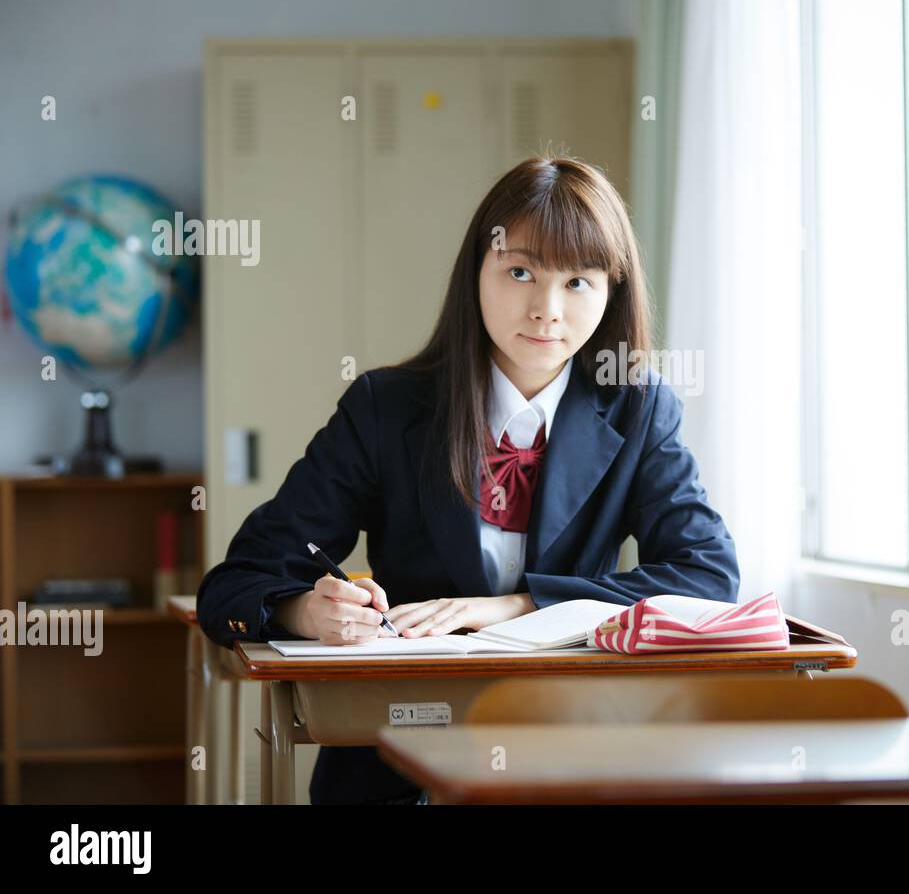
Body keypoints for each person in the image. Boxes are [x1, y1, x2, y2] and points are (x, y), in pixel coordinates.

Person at [196, 155, 740, 804]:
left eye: (578, 283)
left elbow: (708, 575)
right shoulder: (385, 407)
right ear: (475, 274)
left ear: (611, 292)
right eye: (520, 272)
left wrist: (522, 605)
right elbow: (235, 582)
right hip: (398, 756)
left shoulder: (639, 408)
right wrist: (304, 611)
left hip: (568, 757)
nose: (546, 310)